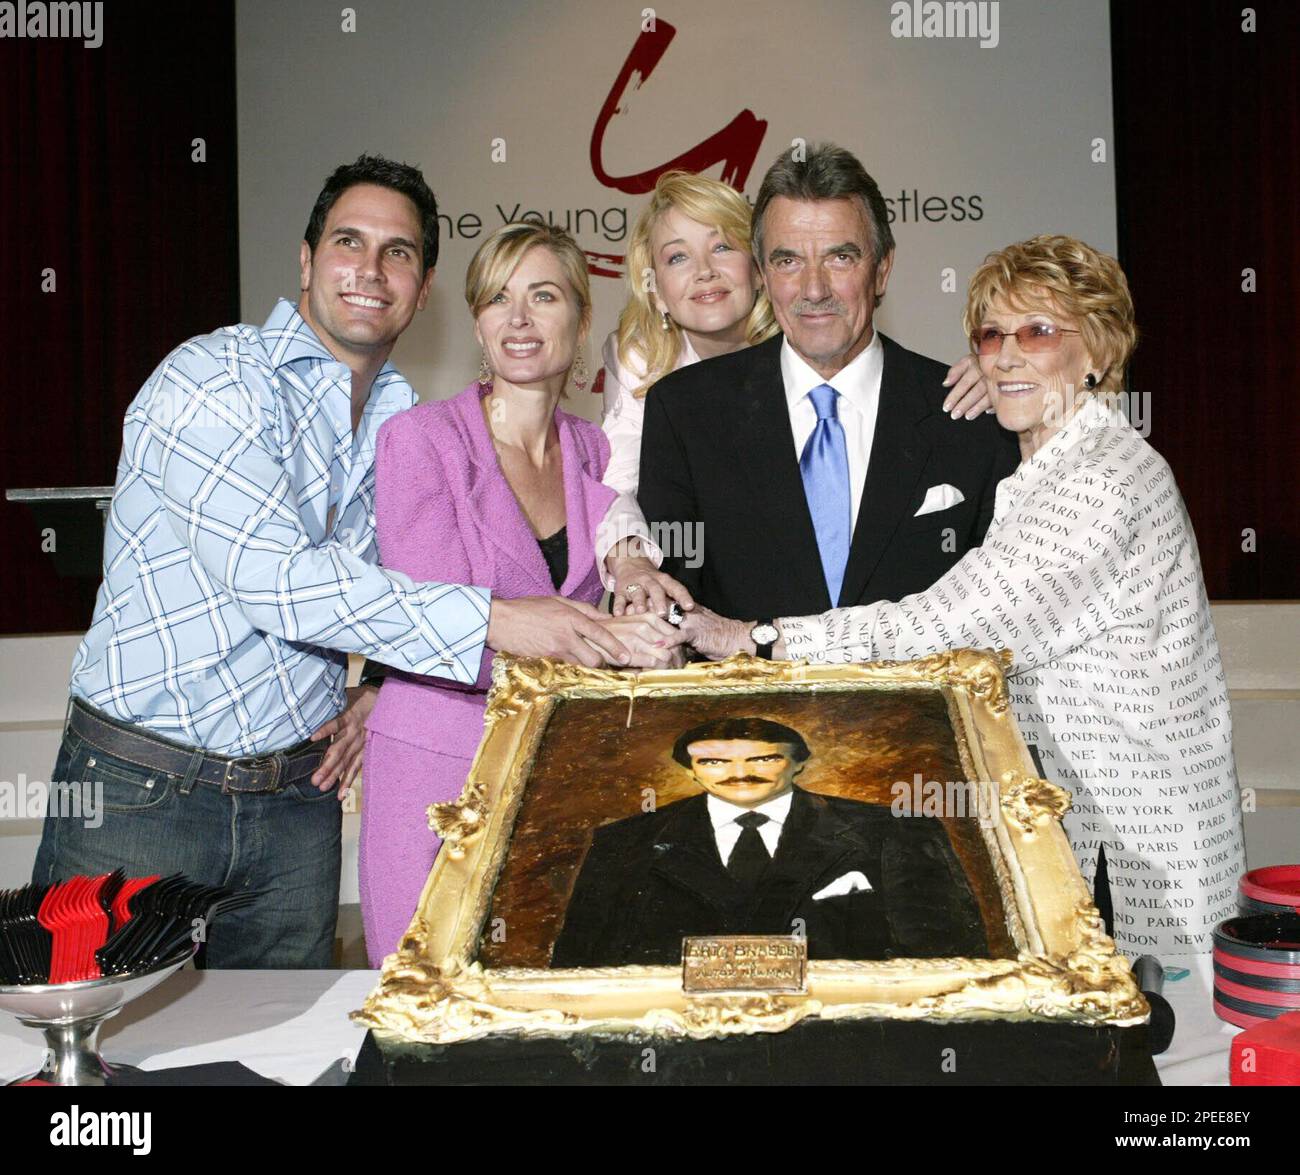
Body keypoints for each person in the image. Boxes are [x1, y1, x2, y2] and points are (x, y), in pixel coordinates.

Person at [31, 156, 656, 969]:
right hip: (146, 788)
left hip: (299, 802)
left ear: (423, 287)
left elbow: (387, 579)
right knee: (88, 1054)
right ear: (305, 258)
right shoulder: (216, 378)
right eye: (348, 242)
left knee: (279, 1051)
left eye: (398, 252)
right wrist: (495, 620)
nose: (369, 268)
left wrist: (374, 685)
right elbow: (279, 582)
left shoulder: (390, 416)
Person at [681, 235, 1246, 957]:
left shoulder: (1103, 483)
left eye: (1038, 331)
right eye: (991, 334)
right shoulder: (1044, 466)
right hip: (1083, 844)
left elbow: (947, 625)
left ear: (1098, 349)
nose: (1007, 354)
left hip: (1140, 865)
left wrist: (754, 639)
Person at [359, 223, 683, 965]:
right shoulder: (421, 440)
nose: (519, 318)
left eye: (543, 295)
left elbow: (622, 546)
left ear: (581, 318)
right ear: (476, 321)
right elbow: (430, 627)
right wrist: (594, 642)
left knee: (543, 1001)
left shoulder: (593, 448)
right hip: (438, 771)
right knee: (429, 999)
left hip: (558, 773)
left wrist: (636, 586)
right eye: (499, 298)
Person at [636, 143, 1020, 626]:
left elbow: (1002, 616)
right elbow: (675, 608)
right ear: (762, 273)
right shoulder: (684, 413)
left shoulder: (969, 413)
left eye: (840, 258)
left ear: (882, 269)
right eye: (788, 261)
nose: (814, 290)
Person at [550, 716, 988, 968]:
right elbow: (580, 966)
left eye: (764, 758)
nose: (740, 773)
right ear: (690, 771)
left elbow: (949, 957)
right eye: (715, 761)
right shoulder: (624, 843)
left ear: (799, 764)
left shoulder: (895, 828)